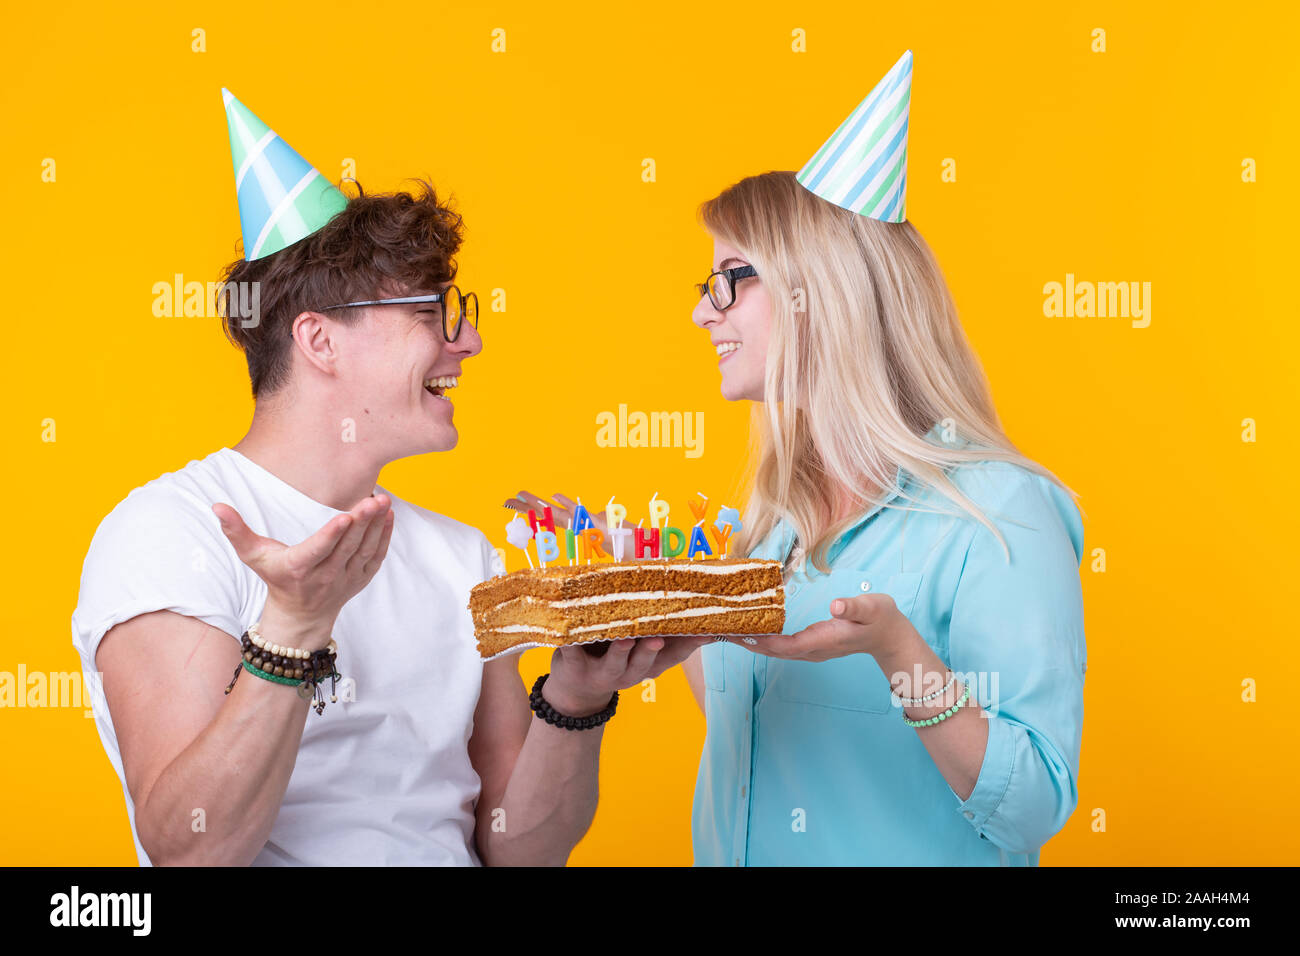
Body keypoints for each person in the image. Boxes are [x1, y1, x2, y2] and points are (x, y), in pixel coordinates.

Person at [69, 90, 703, 866]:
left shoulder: (464, 561)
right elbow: (194, 852)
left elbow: (519, 853)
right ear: (320, 341)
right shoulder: (174, 532)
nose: (468, 339)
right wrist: (292, 633)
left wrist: (577, 696)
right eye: (435, 311)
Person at [674, 51, 1087, 865]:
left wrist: (900, 653)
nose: (701, 312)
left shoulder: (997, 511)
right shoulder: (765, 527)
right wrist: (674, 624)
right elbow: (761, 752)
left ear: (818, 288)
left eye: (729, 279)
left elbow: (1034, 804)